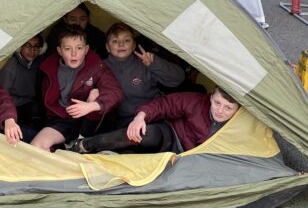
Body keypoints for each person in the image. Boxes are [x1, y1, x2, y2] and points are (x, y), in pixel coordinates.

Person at [66, 87, 240, 155]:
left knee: (132, 156)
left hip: (191, 159)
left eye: (228, 108)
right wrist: (140, 116)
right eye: (217, 103)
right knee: (142, 134)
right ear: (211, 97)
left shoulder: (240, 127)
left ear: (238, 110)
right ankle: (84, 145)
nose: (220, 110)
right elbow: (165, 104)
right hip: (172, 136)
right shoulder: (195, 101)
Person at [30, 25, 123, 151]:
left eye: (79, 48)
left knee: (95, 93)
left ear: (86, 49)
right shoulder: (48, 69)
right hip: (63, 119)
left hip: (90, 121)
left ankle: (81, 141)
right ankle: (69, 148)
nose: (74, 53)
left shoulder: (97, 66)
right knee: (37, 146)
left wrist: (90, 106)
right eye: (68, 49)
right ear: (59, 51)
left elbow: (115, 92)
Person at [102, 23, 185, 128]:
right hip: (123, 122)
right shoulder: (101, 67)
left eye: (127, 40)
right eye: (115, 41)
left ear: (133, 46)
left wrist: (154, 64)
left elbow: (178, 79)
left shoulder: (145, 62)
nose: (121, 44)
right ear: (107, 47)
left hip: (153, 117)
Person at [0, 34, 45, 138]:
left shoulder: (39, 63)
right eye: (28, 45)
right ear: (20, 46)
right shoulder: (11, 66)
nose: (32, 50)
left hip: (31, 105)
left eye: (36, 46)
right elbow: (0, 93)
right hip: (13, 106)